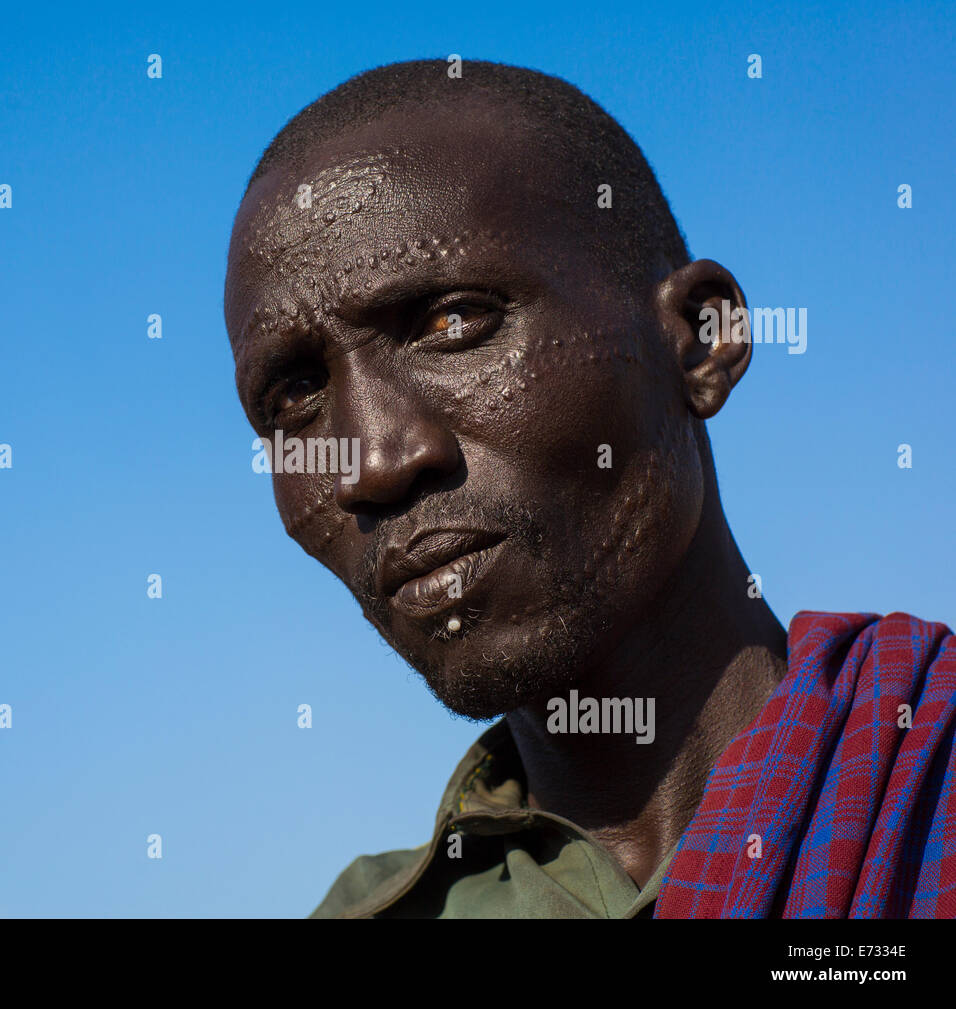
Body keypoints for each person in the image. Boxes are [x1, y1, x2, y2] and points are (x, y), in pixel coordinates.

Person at [222, 59, 955, 918]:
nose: (373, 463)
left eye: (454, 322)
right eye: (295, 398)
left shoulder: (920, 775)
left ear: (698, 340)